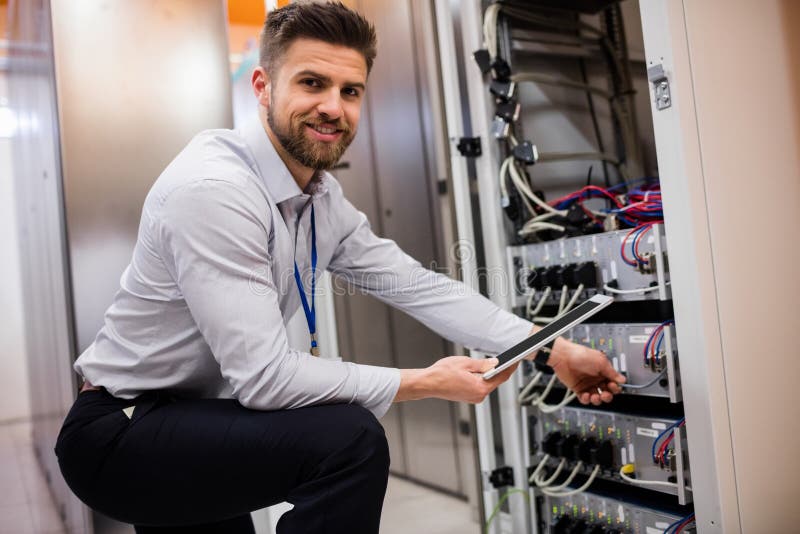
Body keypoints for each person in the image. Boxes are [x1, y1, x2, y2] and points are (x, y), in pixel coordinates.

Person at [54, 3, 625, 533]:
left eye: (350, 90)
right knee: (347, 440)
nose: (333, 106)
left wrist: (549, 348)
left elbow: (417, 285)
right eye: (312, 83)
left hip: (196, 420)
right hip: (126, 430)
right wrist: (425, 383)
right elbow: (267, 379)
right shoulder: (216, 191)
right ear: (262, 85)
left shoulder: (320, 198)